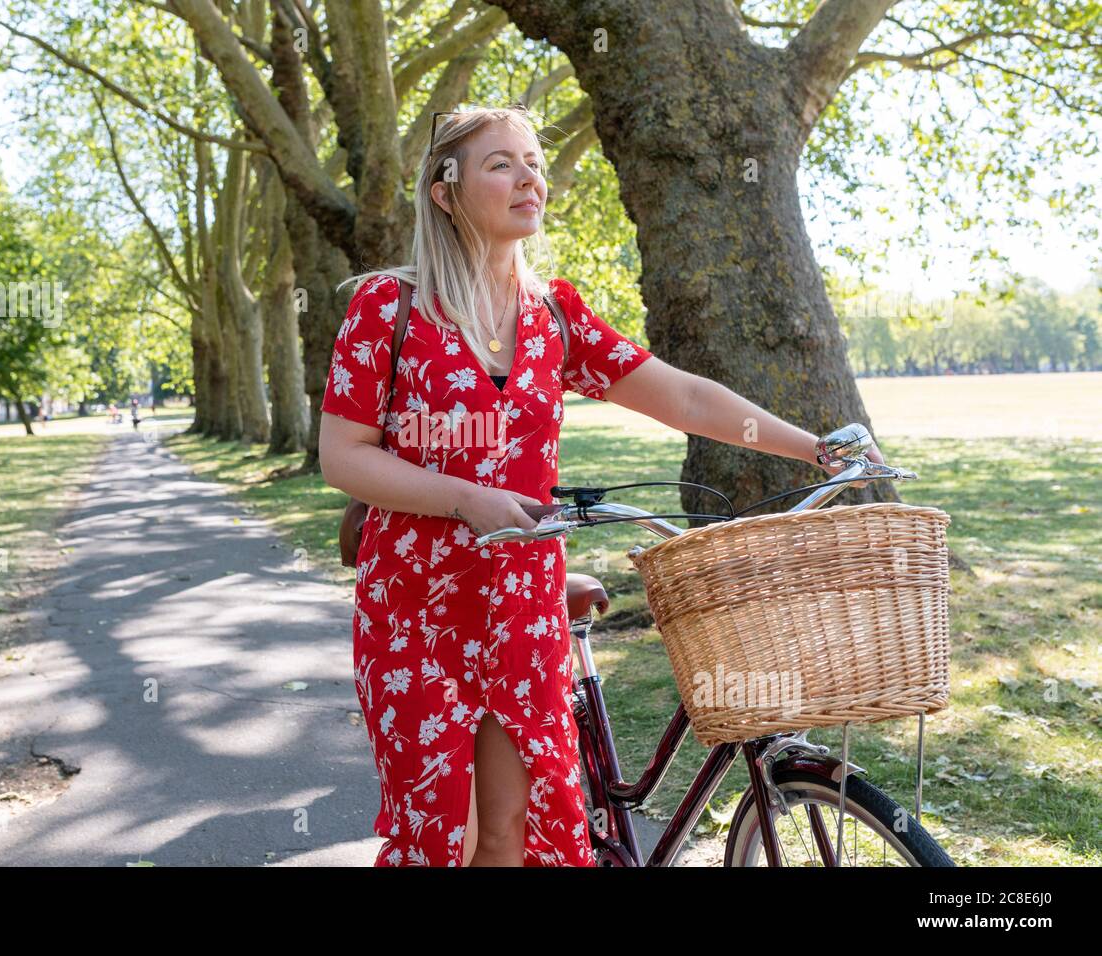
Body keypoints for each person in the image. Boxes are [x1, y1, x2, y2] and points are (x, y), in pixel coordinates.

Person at [317, 106, 883, 868]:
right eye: (501, 163)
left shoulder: (553, 315)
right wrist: (463, 498)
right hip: (417, 608)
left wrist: (815, 448)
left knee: (510, 832)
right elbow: (343, 456)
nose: (530, 178)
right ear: (445, 191)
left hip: (521, 603)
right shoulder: (387, 307)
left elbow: (683, 398)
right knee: (440, 836)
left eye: (534, 161)